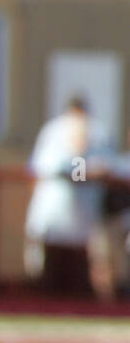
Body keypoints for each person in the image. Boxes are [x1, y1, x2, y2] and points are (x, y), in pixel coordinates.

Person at [24, 96, 112, 299]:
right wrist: (84, 173)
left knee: (81, 271)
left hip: (82, 213)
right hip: (55, 209)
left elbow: (102, 167)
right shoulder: (56, 130)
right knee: (51, 268)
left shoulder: (96, 131)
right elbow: (54, 167)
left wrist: (85, 173)